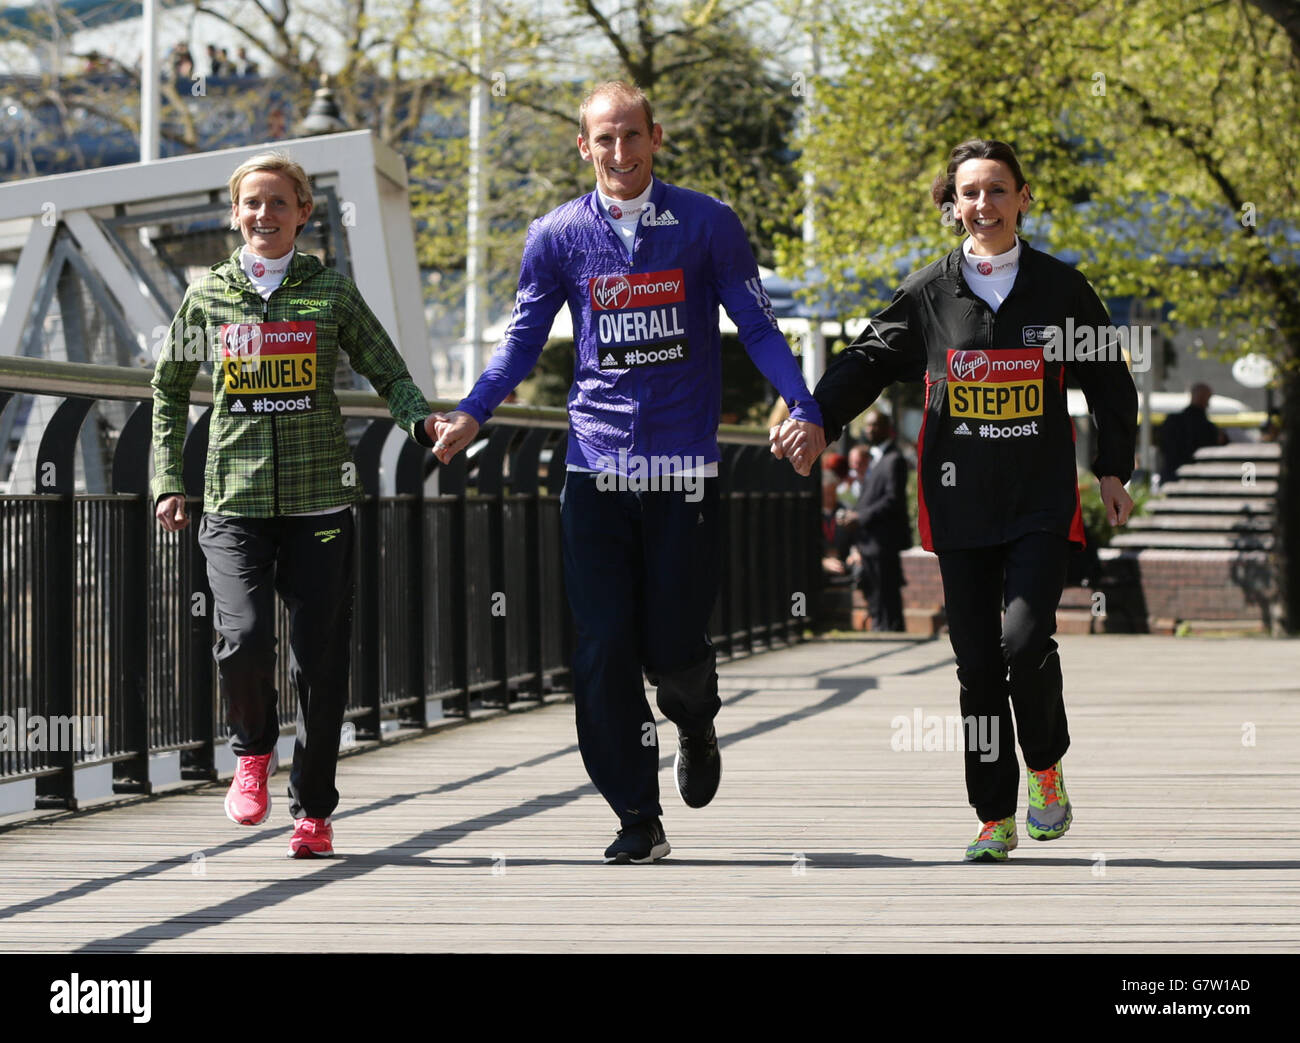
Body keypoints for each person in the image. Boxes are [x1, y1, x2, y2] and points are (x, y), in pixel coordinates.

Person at [432, 81, 825, 863]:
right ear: (583, 147)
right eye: (603, 140)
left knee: (673, 642)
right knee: (604, 644)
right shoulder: (556, 235)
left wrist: (802, 404)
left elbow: (755, 321)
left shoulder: (708, 224)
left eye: (631, 136)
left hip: (685, 469)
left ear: (656, 135)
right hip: (595, 466)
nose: (620, 153)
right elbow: (520, 340)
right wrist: (474, 410)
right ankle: (636, 815)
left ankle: (697, 715)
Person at [775, 138, 1137, 861]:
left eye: (997, 190)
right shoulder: (928, 293)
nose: (982, 205)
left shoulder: (1062, 291)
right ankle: (993, 816)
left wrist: (1112, 468)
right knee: (976, 662)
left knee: (1023, 642)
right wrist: (812, 415)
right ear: (953, 206)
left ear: (1023, 198)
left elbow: (1109, 381)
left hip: (1038, 499)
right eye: (968, 193)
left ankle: (1045, 767)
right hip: (959, 501)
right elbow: (865, 361)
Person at [151, 151, 438, 858]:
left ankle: (313, 810)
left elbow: (389, 370)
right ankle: (252, 751)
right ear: (235, 212)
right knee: (243, 637)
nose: (264, 215)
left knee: (320, 661)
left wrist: (421, 423)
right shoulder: (208, 297)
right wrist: (167, 478)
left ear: (304, 212)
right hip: (232, 501)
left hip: (319, 506)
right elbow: (166, 389)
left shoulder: (330, 293)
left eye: (280, 202)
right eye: (252, 202)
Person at [847, 410, 910, 632]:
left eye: (874, 425)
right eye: (867, 426)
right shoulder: (874, 459)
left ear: (886, 428)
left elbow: (893, 500)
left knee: (887, 594)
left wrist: (860, 516)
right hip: (869, 541)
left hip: (884, 541)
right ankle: (881, 631)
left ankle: (890, 633)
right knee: (875, 593)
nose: (869, 430)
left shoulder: (894, 459)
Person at [1158, 382, 1226, 483]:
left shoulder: (1171, 421)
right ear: (1205, 400)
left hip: (1170, 476)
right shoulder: (1207, 427)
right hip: (1196, 480)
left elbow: (1162, 446)